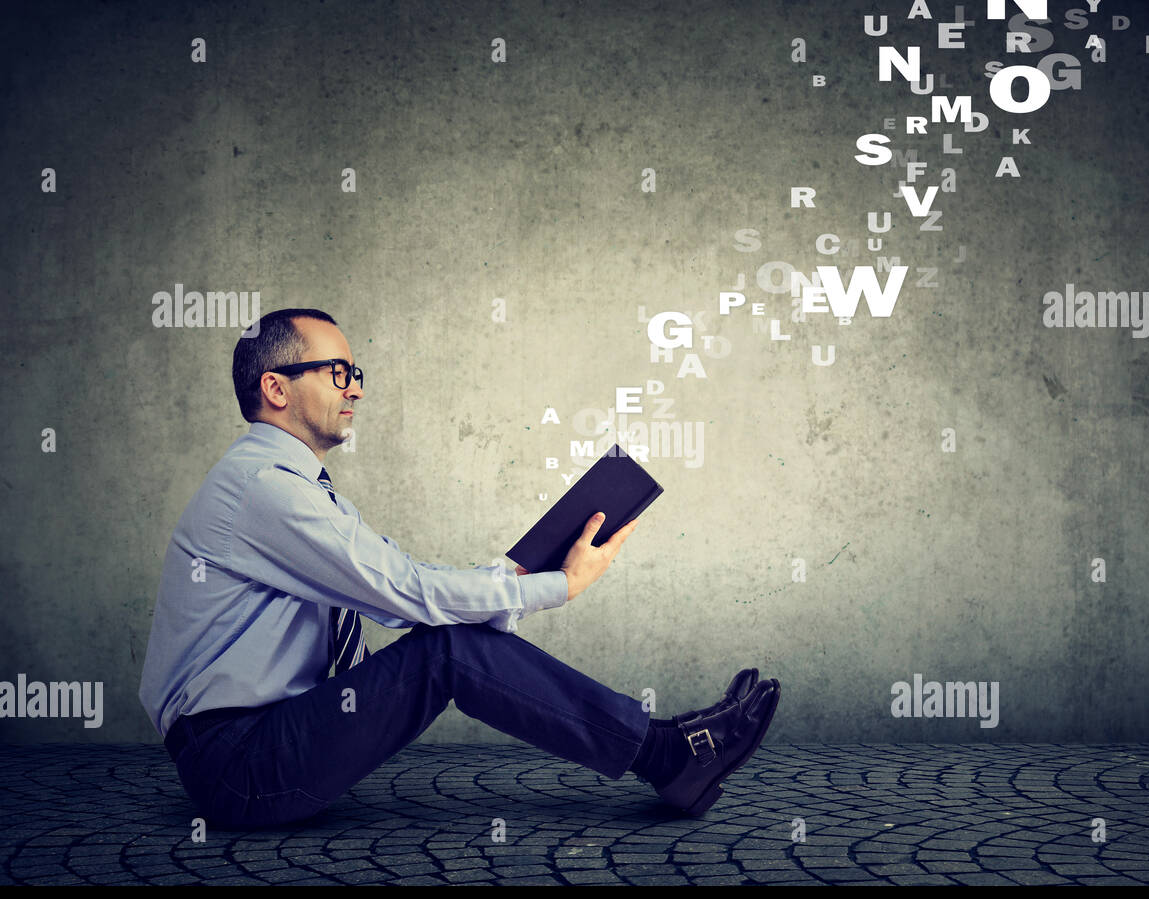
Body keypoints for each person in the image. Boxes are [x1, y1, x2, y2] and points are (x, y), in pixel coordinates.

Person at [138, 308, 780, 829]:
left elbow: (393, 584)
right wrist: (561, 585)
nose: (355, 386)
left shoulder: (296, 486)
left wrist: (521, 570)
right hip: (240, 763)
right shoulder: (263, 487)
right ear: (276, 387)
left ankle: (668, 754)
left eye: (355, 371)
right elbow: (403, 593)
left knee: (452, 639)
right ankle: (670, 755)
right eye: (336, 371)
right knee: (445, 649)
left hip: (265, 740)